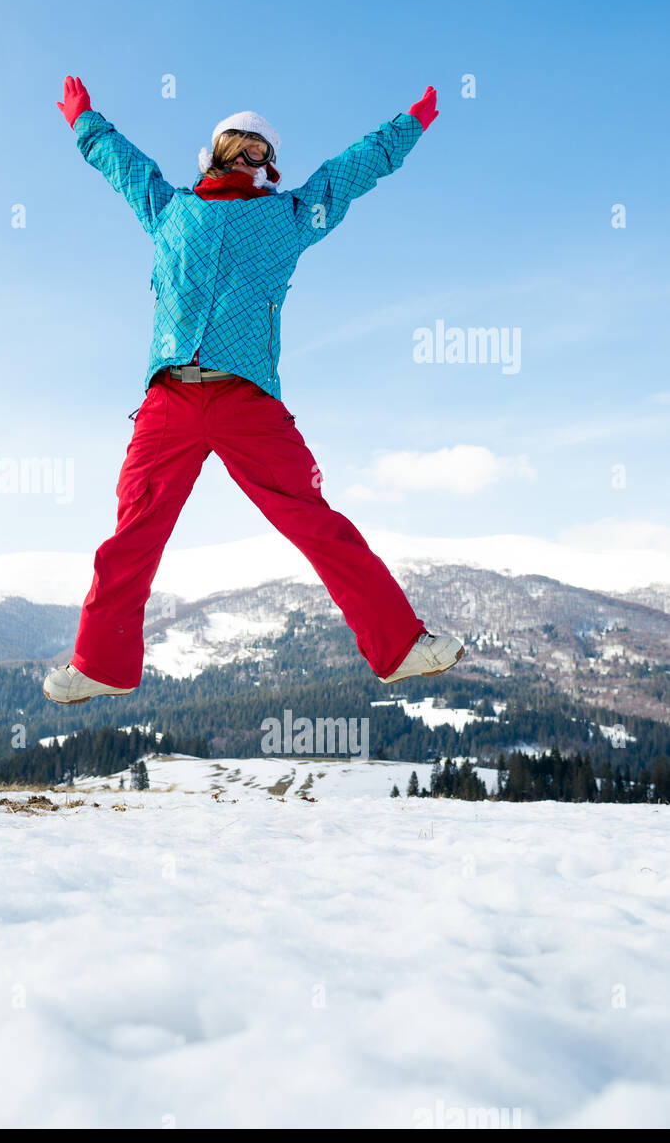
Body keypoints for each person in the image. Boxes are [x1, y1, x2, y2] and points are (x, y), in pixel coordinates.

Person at [43, 76, 463, 705]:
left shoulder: (287, 218)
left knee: (315, 522)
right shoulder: (170, 209)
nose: (247, 157)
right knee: (133, 532)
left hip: (248, 401)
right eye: (237, 146)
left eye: (260, 150)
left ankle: (400, 647)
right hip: (170, 400)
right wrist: (85, 123)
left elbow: (347, 173)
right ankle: (102, 664)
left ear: (271, 163)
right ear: (214, 153)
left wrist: (407, 127)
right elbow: (124, 167)